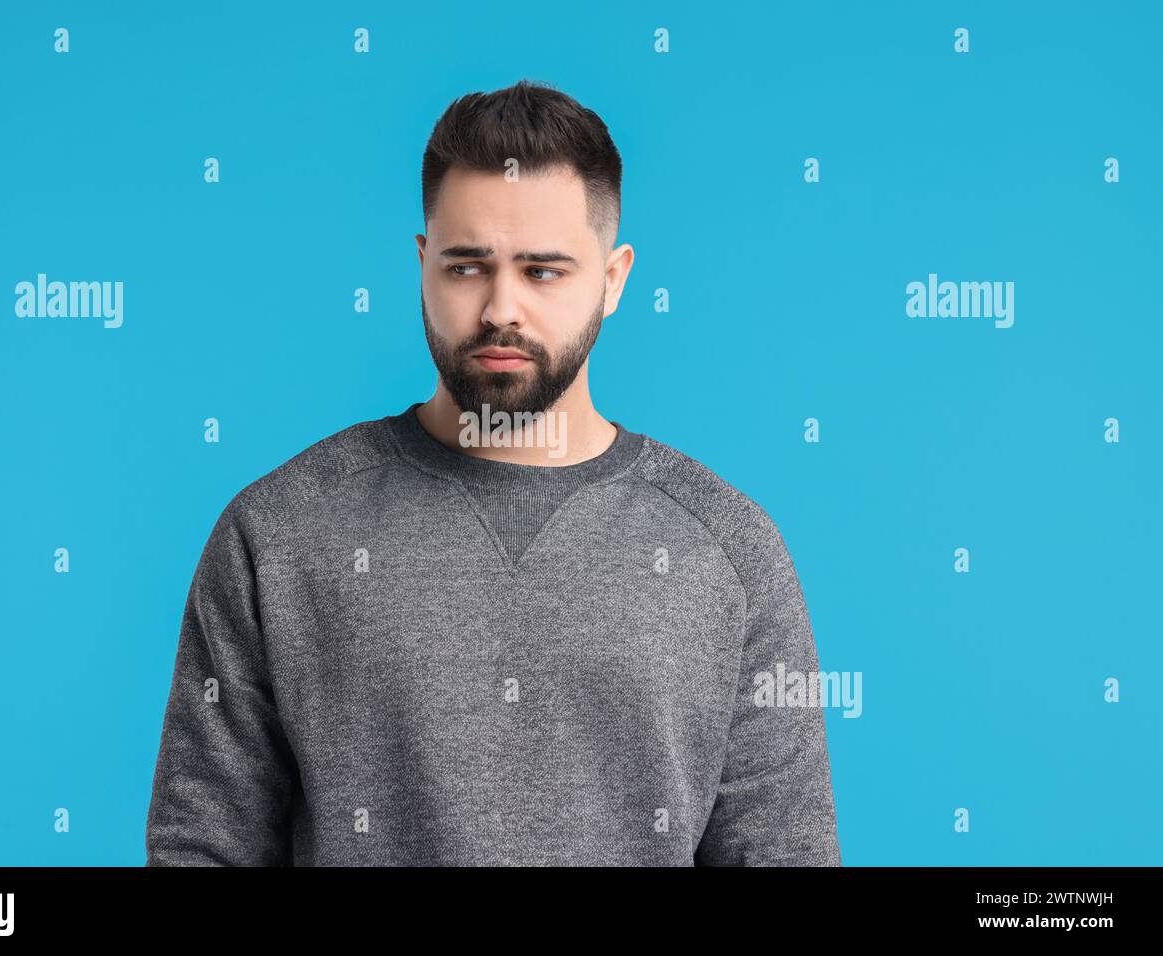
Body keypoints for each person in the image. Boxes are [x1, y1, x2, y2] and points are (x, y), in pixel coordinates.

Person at [145, 78, 841, 866]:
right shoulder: (277, 534)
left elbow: (784, 852)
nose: (500, 308)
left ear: (613, 280)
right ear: (422, 264)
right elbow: (202, 849)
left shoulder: (729, 549)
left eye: (543, 271)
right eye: (468, 267)